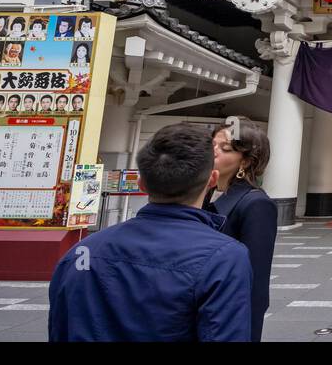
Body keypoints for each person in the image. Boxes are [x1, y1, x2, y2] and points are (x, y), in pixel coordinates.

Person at [47, 122, 252, 342]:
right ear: (212, 179)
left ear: (141, 183)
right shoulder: (225, 257)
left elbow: (60, 330)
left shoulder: (81, 252)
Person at [207, 119, 278, 342]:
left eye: (225, 148)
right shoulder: (205, 194)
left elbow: (255, 280)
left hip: (227, 311)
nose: (214, 152)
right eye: (212, 145)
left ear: (246, 161)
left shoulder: (256, 204)